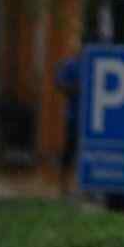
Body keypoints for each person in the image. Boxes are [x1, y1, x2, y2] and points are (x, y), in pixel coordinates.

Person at [56, 54, 81, 196]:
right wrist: (75, 88)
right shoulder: (72, 64)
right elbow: (60, 82)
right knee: (69, 152)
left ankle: (81, 187)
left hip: (93, 122)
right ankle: (64, 187)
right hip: (74, 117)